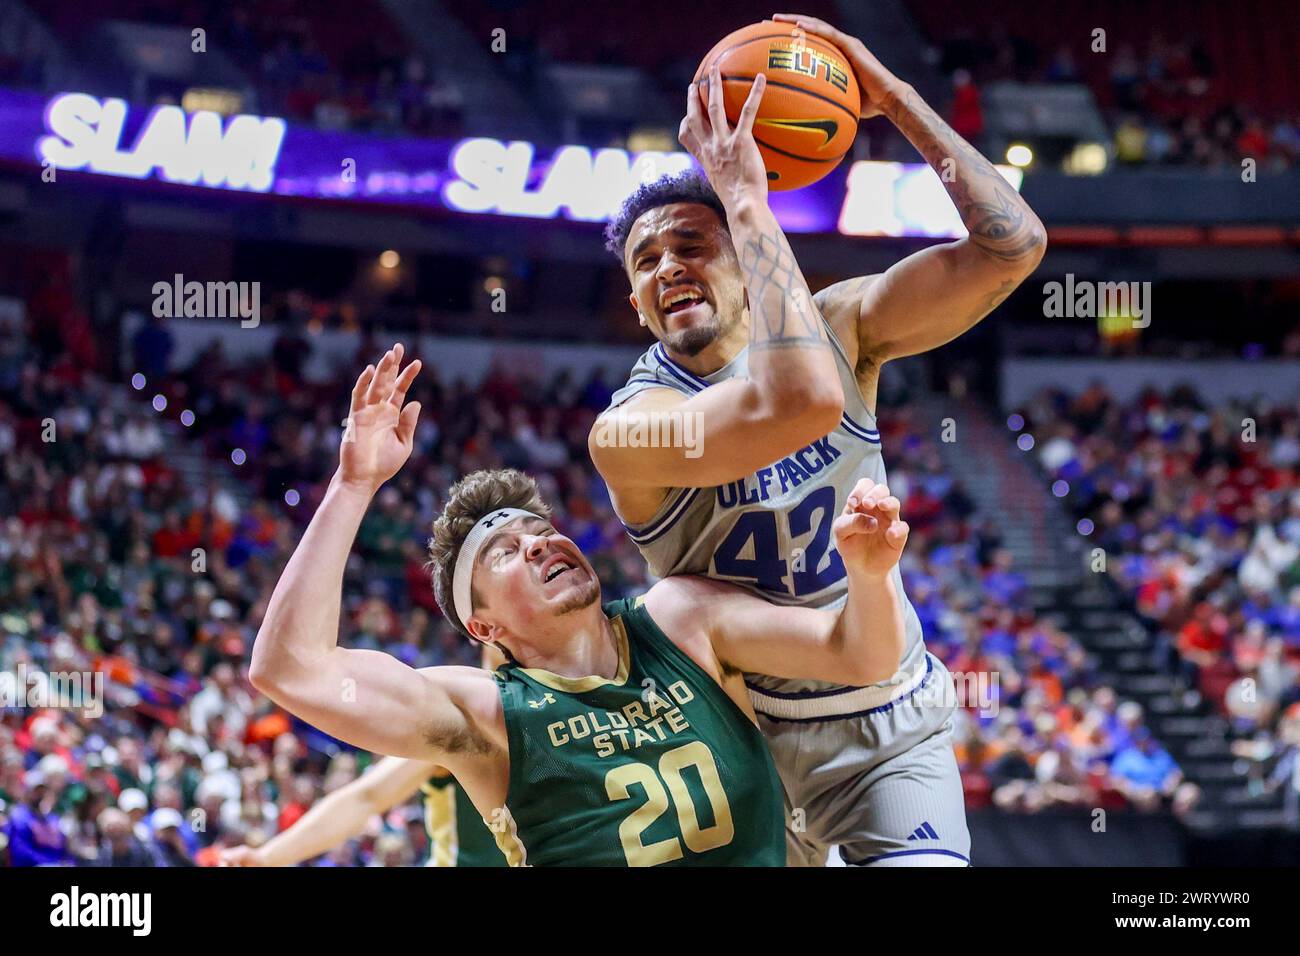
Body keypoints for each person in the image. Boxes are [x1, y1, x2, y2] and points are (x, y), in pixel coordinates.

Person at [589, 13, 1047, 866]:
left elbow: (1012, 248)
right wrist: (743, 197)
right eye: (644, 264)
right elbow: (798, 406)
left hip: (881, 721)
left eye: (692, 244)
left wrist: (900, 102)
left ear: (747, 256)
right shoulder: (629, 431)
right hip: (744, 746)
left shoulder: (841, 321)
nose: (667, 268)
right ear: (635, 305)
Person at [249, 346, 912, 866]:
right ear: (485, 626)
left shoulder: (680, 618)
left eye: (541, 532)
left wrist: (870, 575)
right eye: (505, 551)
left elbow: (862, 655)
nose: (540, 545)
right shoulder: (484, 715)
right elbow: (291, 668)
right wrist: (354, 482)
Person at [222, 649, 508, 868]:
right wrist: (267, 857)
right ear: (476, 627)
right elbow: (365, 797)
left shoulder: (547, 707)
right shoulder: (456, 717)